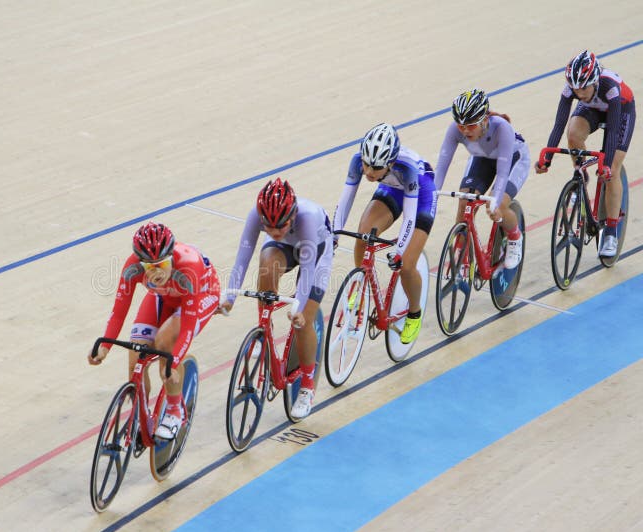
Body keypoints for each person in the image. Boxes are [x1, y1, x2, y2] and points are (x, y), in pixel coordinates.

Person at [88, 222, 220, 440]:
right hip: (163, 296)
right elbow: (119, 312)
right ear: (140, 264)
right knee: (135, 359)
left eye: (161, 264)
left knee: (165, 344)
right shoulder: (132, 268)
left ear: (171, 257)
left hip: (203, 294)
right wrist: (105, 347)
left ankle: (175, 412)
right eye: (149, 267)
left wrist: (174, 361)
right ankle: (141, 416)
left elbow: (187, 324)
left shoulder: (189, 266)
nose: (156, 271)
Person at [218, 178, 333, 420]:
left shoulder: (307, 219)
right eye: (268, 227)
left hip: (317, 250)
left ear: (291, 216)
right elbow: (243, 257)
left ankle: (307, 386)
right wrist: (229, 297)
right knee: (267, 265)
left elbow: (309, 269)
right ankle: (264, 332)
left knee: (303, 321)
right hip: (287, 247)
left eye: (279, 226)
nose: (273, 231)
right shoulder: (258, 217)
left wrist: (300, 308)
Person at [332, 123, 436, 345]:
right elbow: (346, 200)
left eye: (375, 168)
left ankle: (414, 313)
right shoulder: (357, 161)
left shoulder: (406, 170)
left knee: (407, 264)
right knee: (363, 234)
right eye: (366, 164)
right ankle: (360, 287)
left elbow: (409, 217)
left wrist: (400, 251)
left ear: (389, 163)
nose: (368, 172)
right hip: (392, 190)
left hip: (422, 195)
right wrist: (334, 235)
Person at [535, 50, 636, 257]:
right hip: (594, 108)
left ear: (595, 80)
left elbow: (614, 131)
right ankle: (582, 174)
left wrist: (606, 164)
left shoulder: (610, 88)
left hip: (621, 112)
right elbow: (559, 124)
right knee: (573, 134)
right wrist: (547, 159)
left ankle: (610, 232)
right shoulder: (573, 89)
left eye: (583, 88)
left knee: (613, 171)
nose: (579, 93)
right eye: (575, 89)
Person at [435, 88, 529, 269]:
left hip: (513, 160)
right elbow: (442, 167)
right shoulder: (455, 130)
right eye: (461, 126)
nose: (465, 131)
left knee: (498, 205)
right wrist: (433, 194)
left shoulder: (502, 128)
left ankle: (515, 236)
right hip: (482, 159)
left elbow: (502, 172)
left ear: (485, 120)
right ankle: (462, 259)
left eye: (470, 125)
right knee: (464, 203)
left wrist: (495, 200)